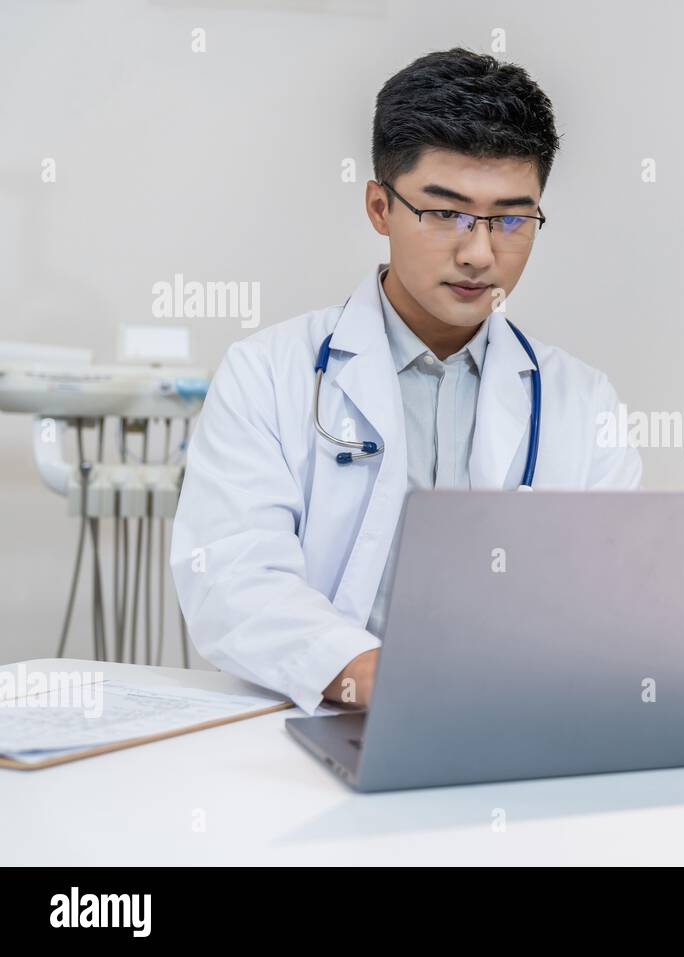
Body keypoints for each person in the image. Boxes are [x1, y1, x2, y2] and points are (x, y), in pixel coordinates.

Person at [170, 48, 642, 714]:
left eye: (511, 219)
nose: (479, 252)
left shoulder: (582, 401)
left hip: (513, 723)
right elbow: (233, 578)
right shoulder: (267, 374)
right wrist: (380, 679)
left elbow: (611, 596)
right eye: (445, 213)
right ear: (378, 207)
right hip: (319, 720)